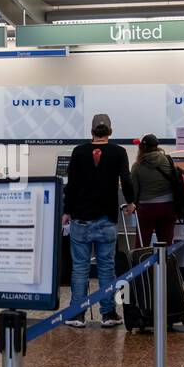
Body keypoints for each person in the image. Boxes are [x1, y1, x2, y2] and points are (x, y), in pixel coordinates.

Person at [62, 113, 135, 328]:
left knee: (80, 268)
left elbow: (71, 184)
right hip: (106, 219)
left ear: (92, 131)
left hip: (81, 219)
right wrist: (130, 202)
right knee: (106, 267)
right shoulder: (119, 152)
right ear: (110, 131)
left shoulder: (79, 151)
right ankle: (108, 314)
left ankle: (76, 315)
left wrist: (67, 210)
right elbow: (127, 179)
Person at [131, 134, 177, 247]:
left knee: (142, 244)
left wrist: (133, 205)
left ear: (142, 148)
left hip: (147, 209)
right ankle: (165, 264)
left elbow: (134, 192)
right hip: (168, 207)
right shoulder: (168, 161)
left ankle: (143, 263)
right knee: (166, 244)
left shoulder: (137, 166)